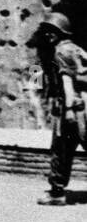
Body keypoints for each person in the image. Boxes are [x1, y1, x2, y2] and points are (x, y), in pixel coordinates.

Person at [31, 12, 87, 206]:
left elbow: (65, 81)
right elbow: (35, 76)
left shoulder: (58, 52)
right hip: (78, 105)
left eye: (52, 31)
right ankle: (56, 190)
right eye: (46, 31)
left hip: (68, 107)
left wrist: (68, 108)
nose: (48, 35)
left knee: (60, 150)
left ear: (61, 32)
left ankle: (56, 192)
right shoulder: (74, 49)